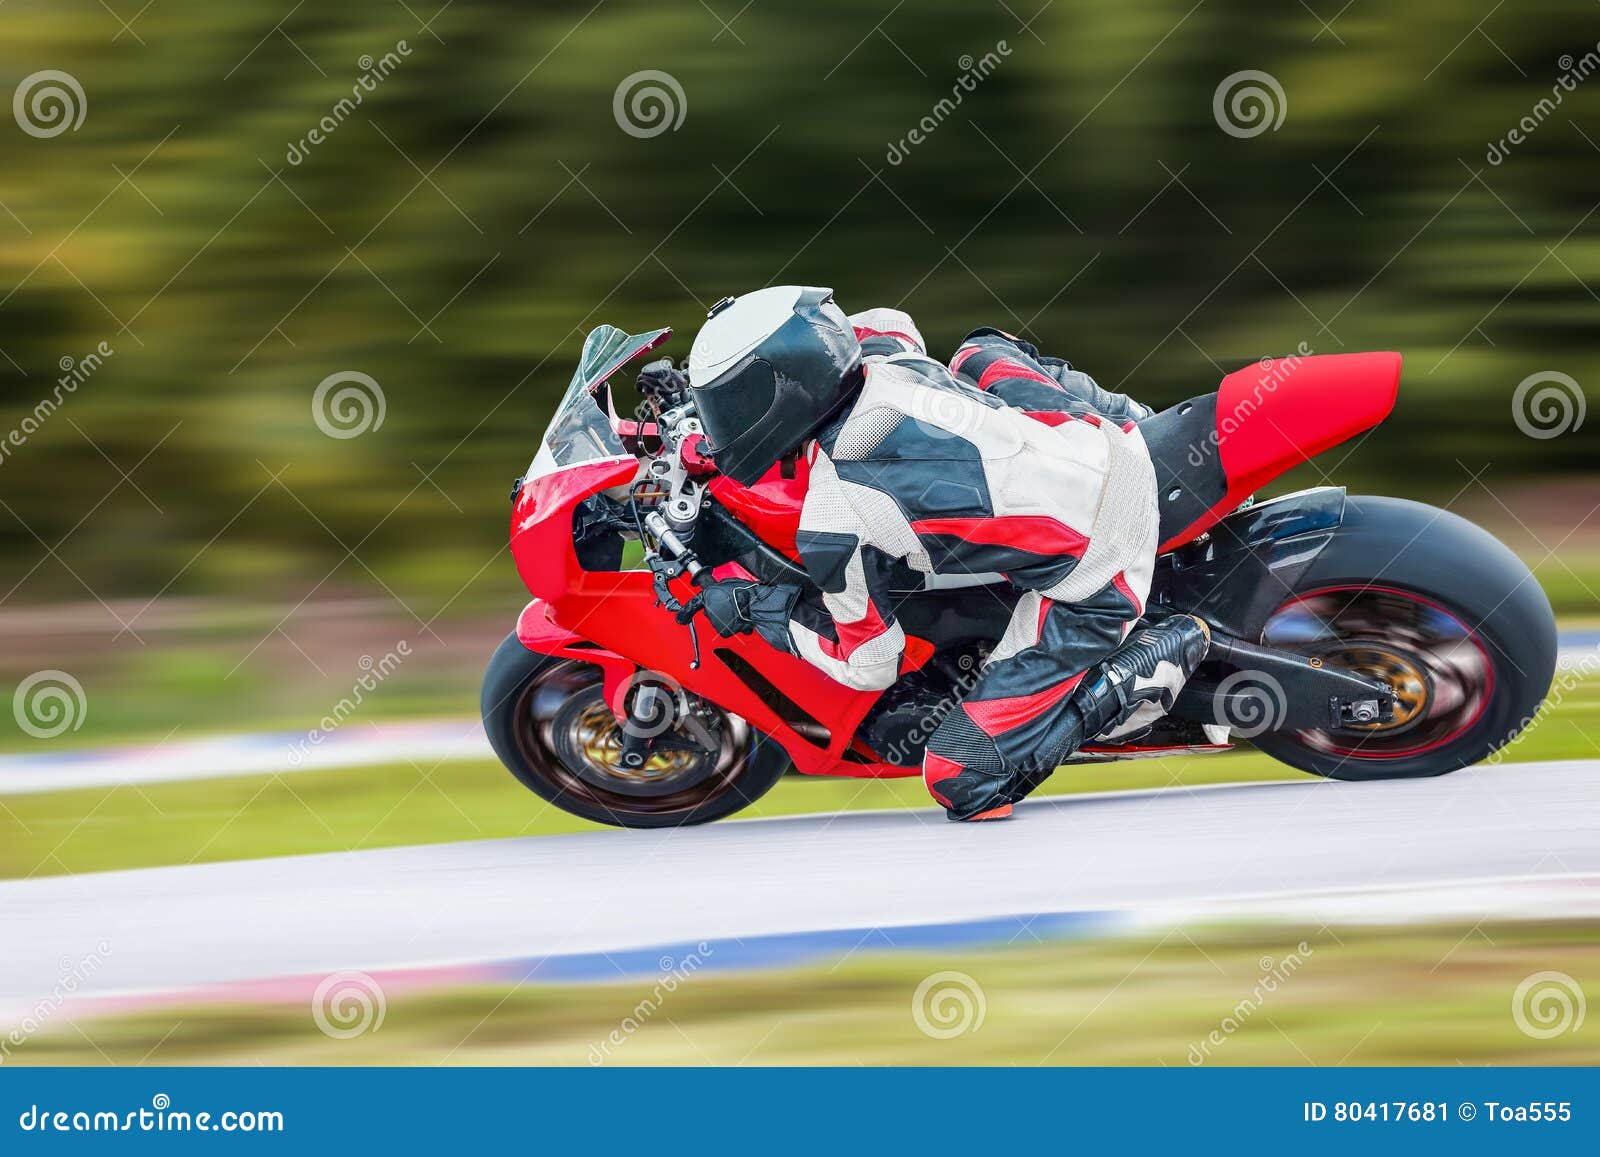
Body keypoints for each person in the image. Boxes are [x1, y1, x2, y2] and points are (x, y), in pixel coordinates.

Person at [677, 286, 1210, 821]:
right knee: (978, 351)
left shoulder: (836, 514)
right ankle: (1147, 416)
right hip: (1110, 439)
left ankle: (1141, 668)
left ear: (782, 391)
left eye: (732, 401)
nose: (726, 418)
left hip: (1102, 563)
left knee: (960, 783)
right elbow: (887, 317)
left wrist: (755, 609)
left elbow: (870, 665)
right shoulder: (884, 355)